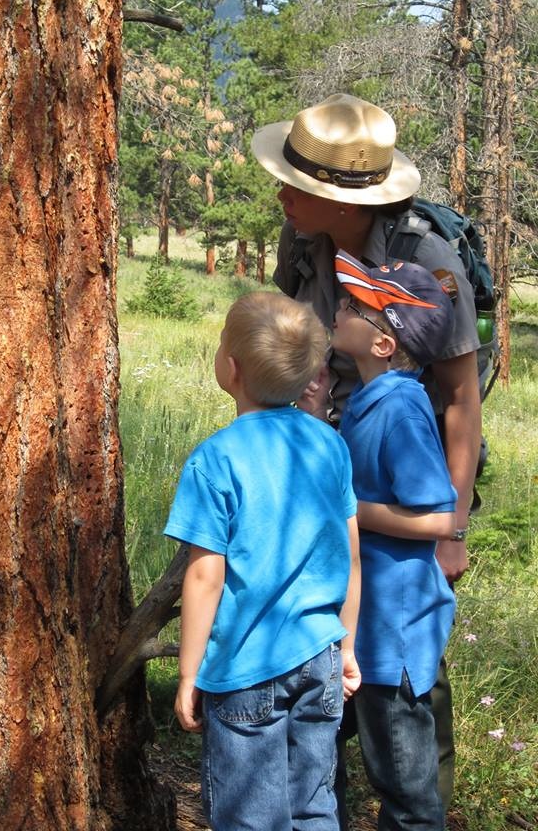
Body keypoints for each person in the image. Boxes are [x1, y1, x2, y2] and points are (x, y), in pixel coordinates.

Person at [251, 93, 481, 807]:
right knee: (323, 629)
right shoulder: (303, 239)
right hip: (329, 459)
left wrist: (454, 528)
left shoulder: (425, 261)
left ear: (344, 203)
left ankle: (419, 807)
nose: (283, 194)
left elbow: (461, 399)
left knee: (404, 655)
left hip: (404, 460)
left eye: (299, 186)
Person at [164, 291, 361, 831]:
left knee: (252, 817)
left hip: (247, 672)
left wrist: (189, 673)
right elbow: (351, 557)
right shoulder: (330, 445)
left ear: (230, 368)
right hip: (320, 660)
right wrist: (346, 645)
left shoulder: (215, 460)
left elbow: (205, 575)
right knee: (315, 806)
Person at [331, 251, 458, 830]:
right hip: (362, 628)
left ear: (384, 344)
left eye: (357, 305)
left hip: (394, 640)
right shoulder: (365, 399)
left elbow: (436, 519)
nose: (340, 306)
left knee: (407, 796)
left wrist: (353, 511)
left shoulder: (401, 409)